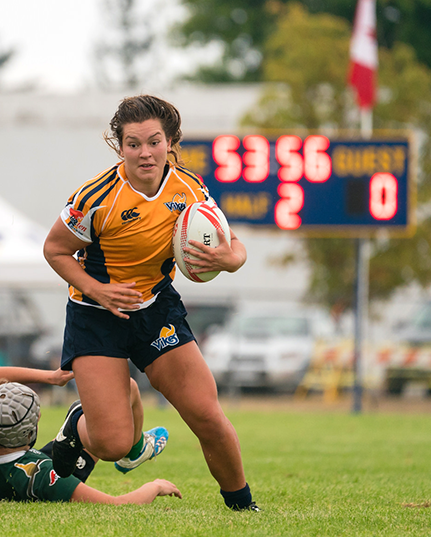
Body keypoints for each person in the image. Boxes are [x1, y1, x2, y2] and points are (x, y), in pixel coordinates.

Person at [42, 95, 258, 511]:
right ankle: (79, 426)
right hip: (96, 314)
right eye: (133, 144)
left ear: (171, 141)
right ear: (118, 146)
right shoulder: (96, 196)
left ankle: (242, 505)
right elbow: (54, 250)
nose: (145, 153)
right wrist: (99, 290)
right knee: (113, 443)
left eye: (154, 142)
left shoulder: (189, 187)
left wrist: (233, 259)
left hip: (156, 308)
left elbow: (231, 244)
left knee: (206, 414)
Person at [0, 366, 180, 504]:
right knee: (125, 388)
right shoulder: (44, 475)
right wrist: (153, 486)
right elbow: (117, 505)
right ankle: (135, 448)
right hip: (31, 474)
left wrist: (50, 378)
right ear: (29, 432)